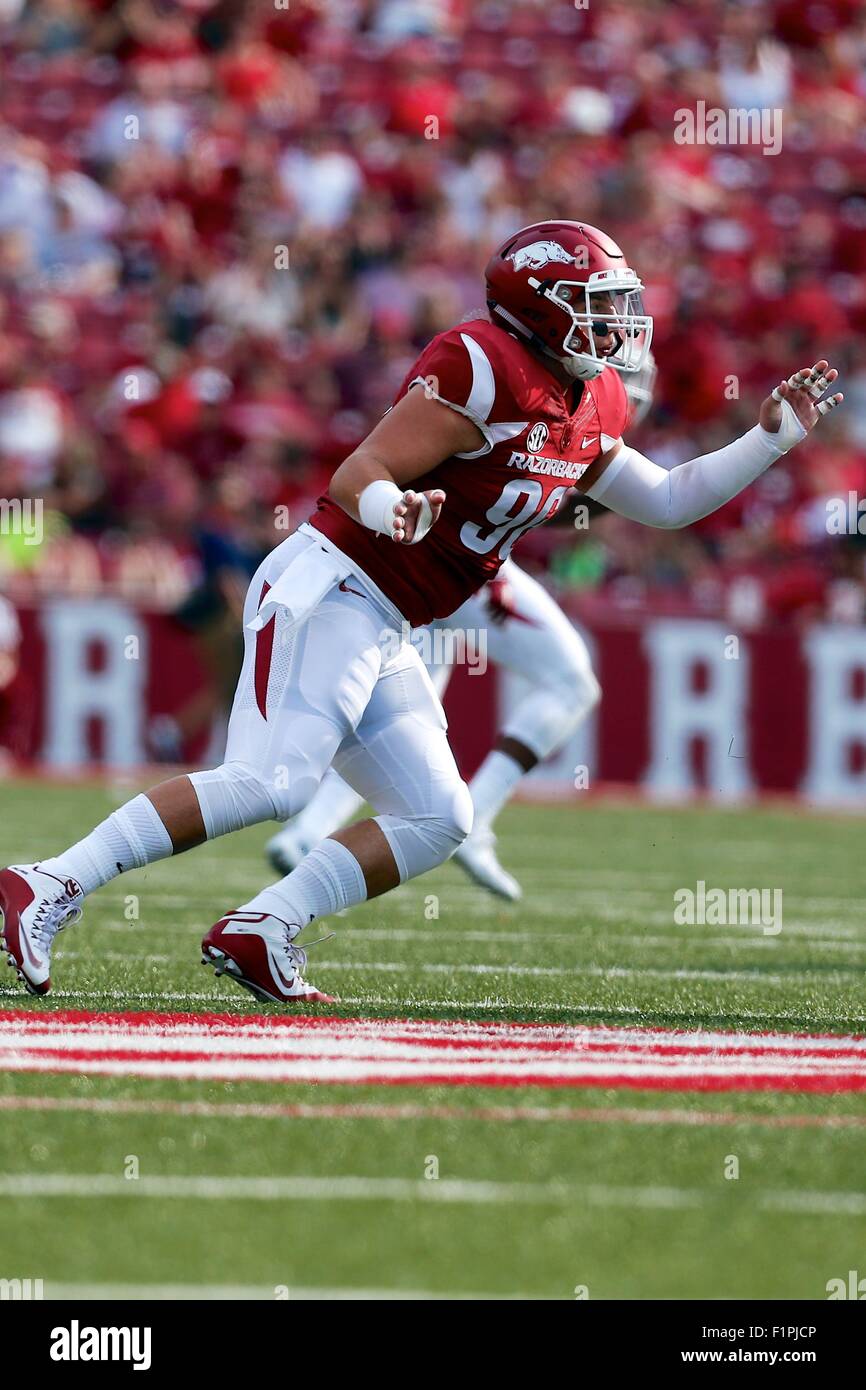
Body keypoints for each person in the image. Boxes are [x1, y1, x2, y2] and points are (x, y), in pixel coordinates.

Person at [0, 220, 842, 1006]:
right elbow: (357, 472)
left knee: (439, 817)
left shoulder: (590, 402)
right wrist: (388, 511)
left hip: (389, 620)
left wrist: (767, 441)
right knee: (276, 780)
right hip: (333, 584)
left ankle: (266, 928)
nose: (618, 325)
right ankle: (49, 882)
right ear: (541, 309)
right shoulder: (483, 364)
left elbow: (664, 501)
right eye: (597, 305)